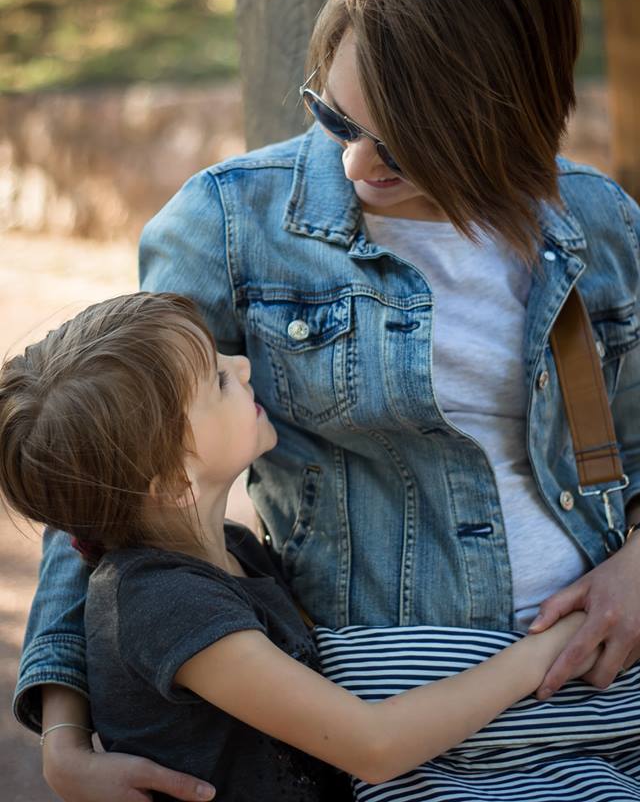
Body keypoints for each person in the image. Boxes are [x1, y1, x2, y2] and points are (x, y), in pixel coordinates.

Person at [12, 0, 640, 802]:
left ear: (503, 121)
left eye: (404, 144)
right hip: (397, 700)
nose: (355, 165)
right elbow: (110, 468)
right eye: (336, 119)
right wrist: (65, 730)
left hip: (605, 669)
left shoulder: (597, 224)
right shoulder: (230, 227)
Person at [0, 291, 596, 801]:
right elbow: (375, 745)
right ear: (176, 483)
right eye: (216, 379)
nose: (242, 364)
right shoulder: (164, 605)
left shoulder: (230, 551)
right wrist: (546, 650)